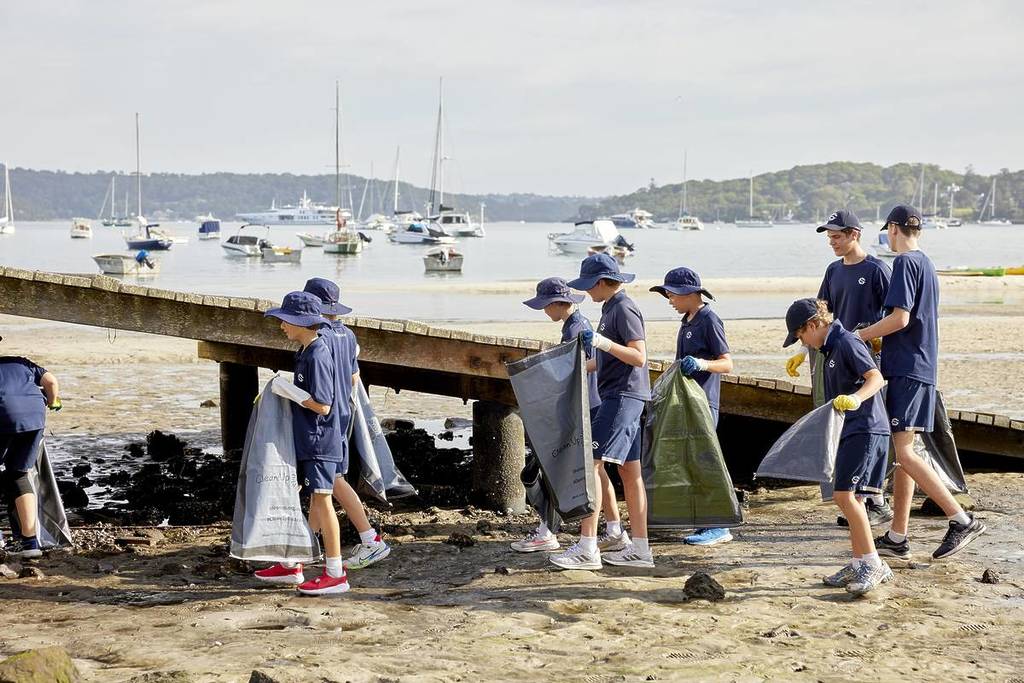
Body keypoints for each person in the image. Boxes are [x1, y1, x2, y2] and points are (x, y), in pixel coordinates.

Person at [855, 205, 986, 560]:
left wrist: (861, 335)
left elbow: (900, 318)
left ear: (893, 229)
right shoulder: (926, 263)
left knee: (905, 453)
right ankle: (898, 535)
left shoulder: (904, 263)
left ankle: (961, 520)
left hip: (909, 367)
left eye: (887, 231)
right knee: (904, 454)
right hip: (919, 364)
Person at [791, 209, 894, 527]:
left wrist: (874, 338)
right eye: (830, 237)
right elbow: (819, 314)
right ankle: (859, 499)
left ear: (855, 234)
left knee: (871, 427)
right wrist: (802, 348)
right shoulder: (833, 271)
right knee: (847, 431)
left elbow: (896, 315)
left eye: (837, 236)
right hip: (835, 356)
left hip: (868, 359)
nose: (832, 242)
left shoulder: (878, 269)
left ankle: (877, 500)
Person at [550, 253, 653, 569]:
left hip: (622, 397)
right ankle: (640, 549)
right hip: (625, 396)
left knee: (590, 465)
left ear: (600, 282)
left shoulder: (623, 308)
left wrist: (603, 343)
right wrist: (576, 366)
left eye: (588, 286)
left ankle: (588, 547)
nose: (587, 293)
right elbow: (606, 361)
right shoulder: (609, 308)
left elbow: (639, 357)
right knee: (629, 472)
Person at [783, 298, 892, 594]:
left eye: (800, 336)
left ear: (814, 325)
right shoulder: (828, 348)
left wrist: (857, 398)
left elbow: (876, 377)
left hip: (866, 428)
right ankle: (859, 562)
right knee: (848, 499)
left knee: (845, 496)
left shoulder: (845, 341)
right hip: (849, 429)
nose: (802, 343)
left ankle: (873, 564)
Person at [511, 277, 626, 553]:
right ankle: (614, 530)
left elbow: (577, 368)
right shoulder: (577, 324)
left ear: (558, 303)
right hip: (590, 406)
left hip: (582, 409)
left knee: (553, 470)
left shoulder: (576, 327)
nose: (544, 312)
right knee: (598, 472)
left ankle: (547, 531)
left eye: (545, 306)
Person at [254, 292, 350, 595]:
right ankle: (295, 562)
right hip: (311, 439)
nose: (281, 325)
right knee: (314, 500)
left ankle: (336, 573)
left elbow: (324, 405)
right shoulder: (306, 350)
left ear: (301, 322)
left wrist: (290, 391)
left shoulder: (318, 353)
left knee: (323, 501)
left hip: (320, 440)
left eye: (285, 320)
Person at [302, 278, 390, 570]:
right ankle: (308, 545)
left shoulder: (318, 338)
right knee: (324, 485)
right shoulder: (348, 335)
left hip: (322, 419)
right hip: (343, 414)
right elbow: (354, 378)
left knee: (330, 483)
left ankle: (370, 539)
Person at [651, 267, 734, 546]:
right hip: (686, 403)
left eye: (672, 294)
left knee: (706, 462)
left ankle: (720, 526)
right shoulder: (687, 320)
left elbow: (727, 363)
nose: (669, 300)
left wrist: (702, 363)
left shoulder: (709, 319)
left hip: (703, 402)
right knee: (693, 462)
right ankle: (704, 522)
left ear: (689, 293)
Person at [0, 337, 61, 559]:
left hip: (3, 418)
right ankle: (30, 544)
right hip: (34, 418)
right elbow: (51, 382)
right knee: (18, 473)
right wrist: (54, 402)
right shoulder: (22, 363)